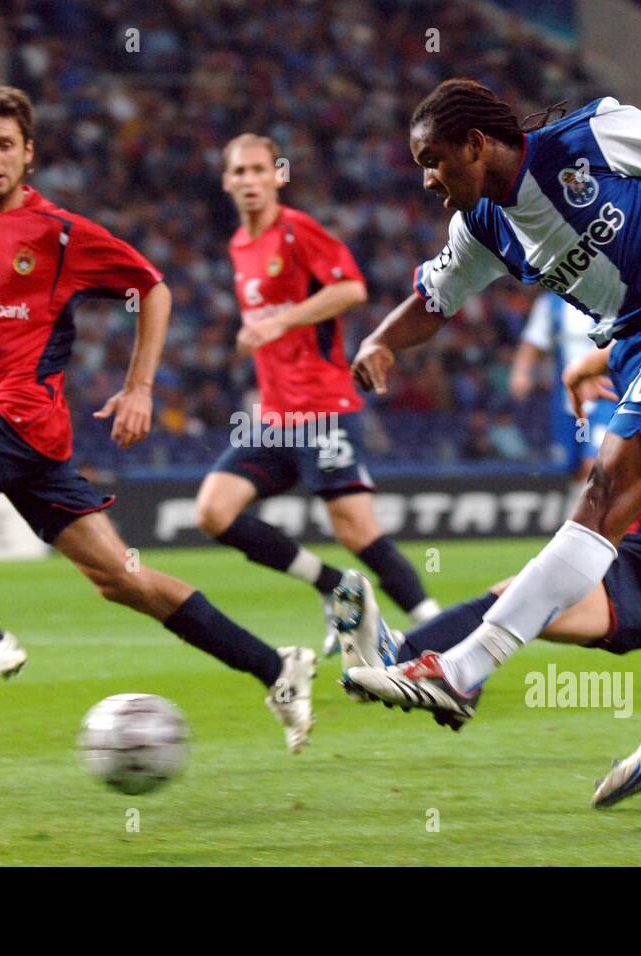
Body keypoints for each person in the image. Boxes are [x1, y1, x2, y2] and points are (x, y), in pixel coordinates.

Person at [345, 79, 641, 828]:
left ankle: (461, 669)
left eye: (434, 159)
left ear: (477, 144)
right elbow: (433, 301)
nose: (427, 179)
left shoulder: (595, 137)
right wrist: (380, 339)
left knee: (603, 499)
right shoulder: (483, 227)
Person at [0, 83, 314, 751]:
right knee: (122, 581)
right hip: (11, 431)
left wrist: (140, 386)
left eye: (5, 146)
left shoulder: (57, 234)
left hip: (22, 418)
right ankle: (277, 667)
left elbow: (152, 287)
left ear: (28, 154)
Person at [196, 133, 439, 656]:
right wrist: (258, 335)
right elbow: (268, 325)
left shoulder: (296, 230)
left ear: (276, 176)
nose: (250, 181)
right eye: (240, 172)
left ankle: (441, 632)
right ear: (226, 182)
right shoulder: (240, 246)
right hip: (278, 417)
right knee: (214, 511)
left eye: (260, 170)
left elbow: (351, 289)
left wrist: (278, 322)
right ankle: (333, 586)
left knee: (355, 529)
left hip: (324, 409)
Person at [511, 291, 612, 480]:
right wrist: (521, 373)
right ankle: (579, 506)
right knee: (569, 466)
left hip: (604, 397)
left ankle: (597, 507)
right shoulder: (551, 303)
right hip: (566, 403)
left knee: (595, 461)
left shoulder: (610, 295)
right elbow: (533, 341)